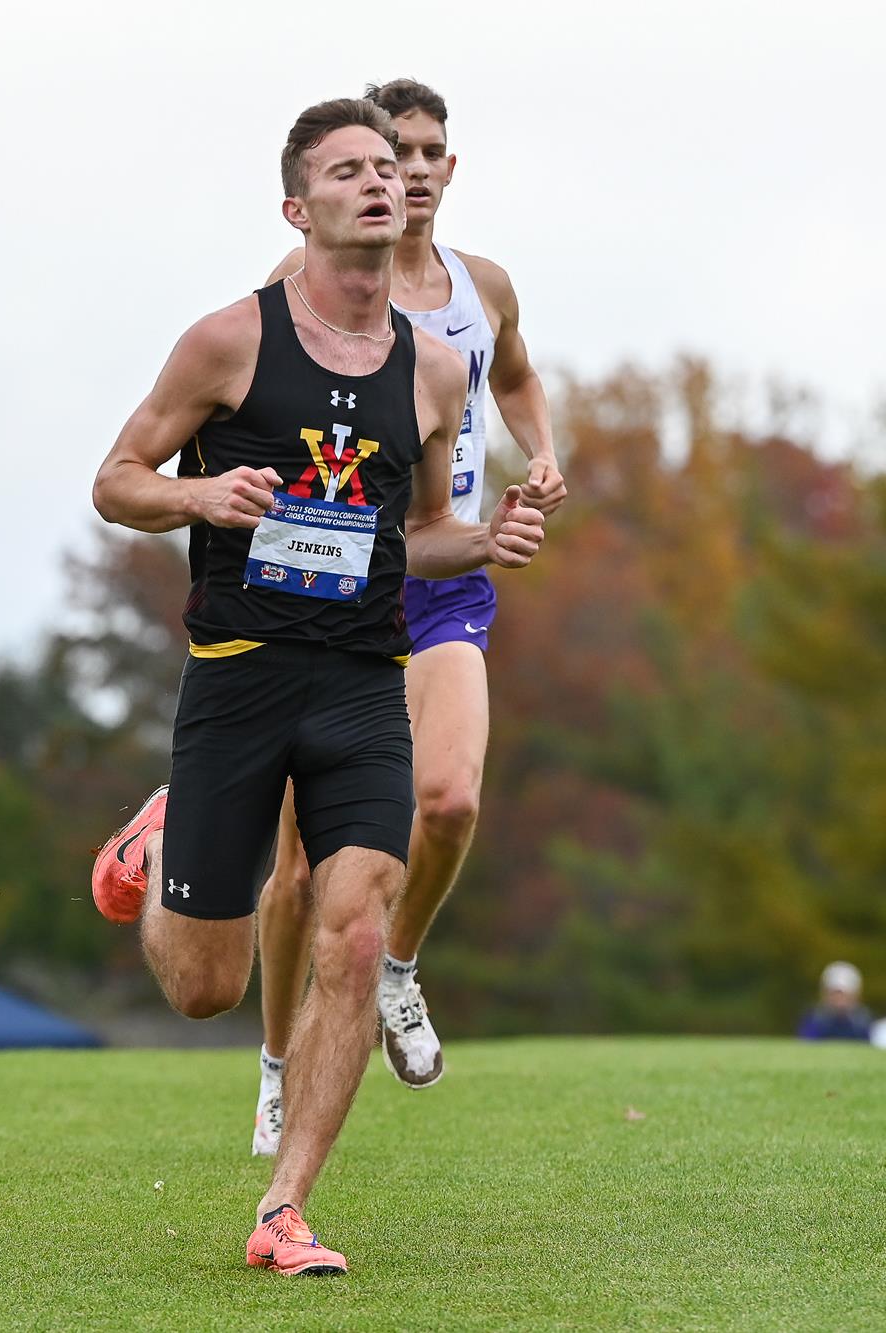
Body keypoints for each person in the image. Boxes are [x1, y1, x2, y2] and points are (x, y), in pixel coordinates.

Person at [87, 96, 545, 1275]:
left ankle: (284, 1209)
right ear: (298, 208)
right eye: (348, 171)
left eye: (388, 166)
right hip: (238, 677)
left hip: (357, 679)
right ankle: (166, 829)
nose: (380, 182)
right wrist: (196, 497)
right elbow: (116, 478)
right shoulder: (227, 341)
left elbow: (420, 535)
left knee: (351, 939)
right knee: (205, 986)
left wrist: (488, 539)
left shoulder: (435, 372)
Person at [246, 79, 569, 1152]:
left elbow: (512, 377)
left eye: (430, 151)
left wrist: (542, 450)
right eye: (395, 152)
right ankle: (277, 1066)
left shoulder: (481, 287)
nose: (413, 169)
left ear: (450, 165)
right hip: (332, 590)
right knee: (298, 871)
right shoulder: (299, 285)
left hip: (441, 572)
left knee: (449, 800)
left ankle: (395, 968)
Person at [797, 960, 874, 1041]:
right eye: (835, 994)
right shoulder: (815, 1018)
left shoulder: (864, 1021)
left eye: (844, 995)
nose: (839, 999)